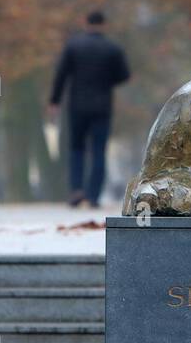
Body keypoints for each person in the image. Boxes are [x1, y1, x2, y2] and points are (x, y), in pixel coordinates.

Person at [48, 11, 130, 208]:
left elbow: (61, 75)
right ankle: (93, 195)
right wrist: (107, 80)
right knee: (99, 151)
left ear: (85, 22)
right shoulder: (112, 49)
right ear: (104, 24)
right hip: (102, 106)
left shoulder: (73, 46)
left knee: (76, 148)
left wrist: (54, 101)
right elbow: (124, 75)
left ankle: (76, 190)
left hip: (77, 105)